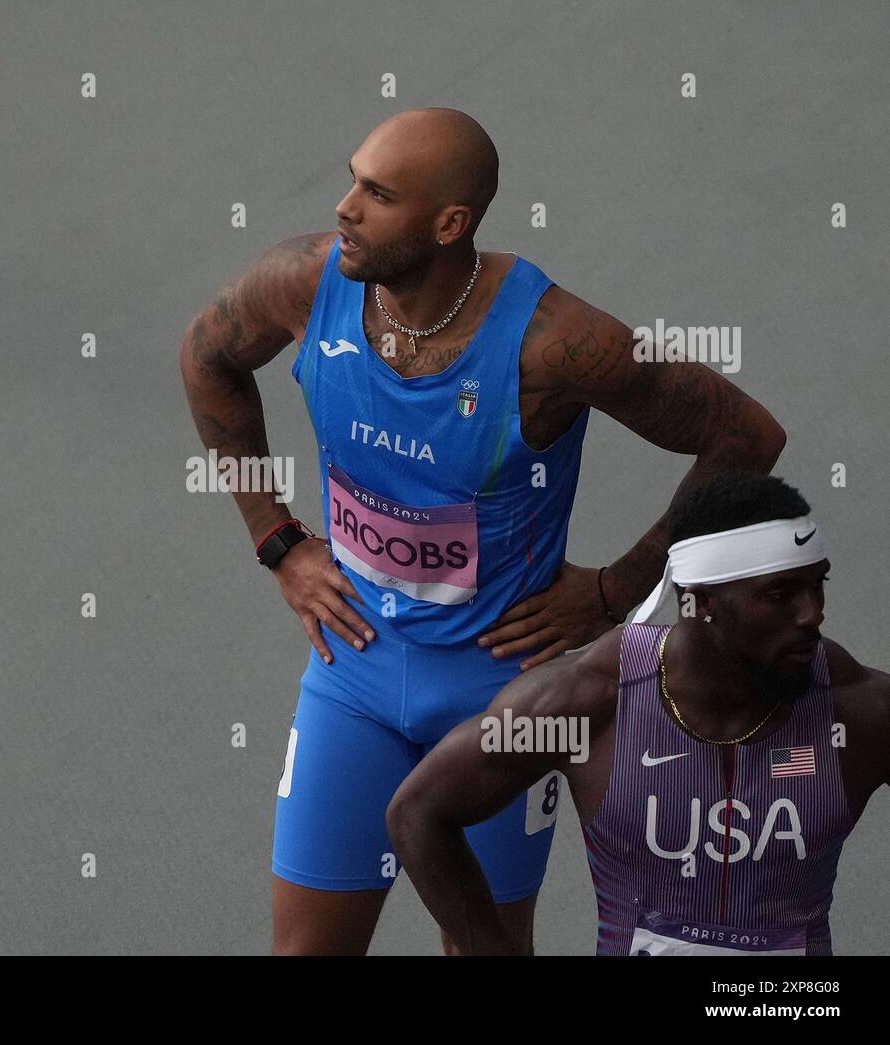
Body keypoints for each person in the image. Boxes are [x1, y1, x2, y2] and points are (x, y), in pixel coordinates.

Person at [179, 107, 786, 955]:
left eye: (378, 194)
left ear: (449, 223)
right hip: (351, 676)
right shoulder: (306, 283)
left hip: (502, 701)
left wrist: (618, 588)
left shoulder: (556, 344)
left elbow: (745, 437)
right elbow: (206, 357)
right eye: (353, 179)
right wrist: (277, 538)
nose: (346, 207)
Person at [389, 472, 887, 956]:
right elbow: (419, 813)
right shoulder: (588, 701)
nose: (811, 614)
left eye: (815, 586)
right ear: (703, 601)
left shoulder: (860, 710)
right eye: (781, 595)